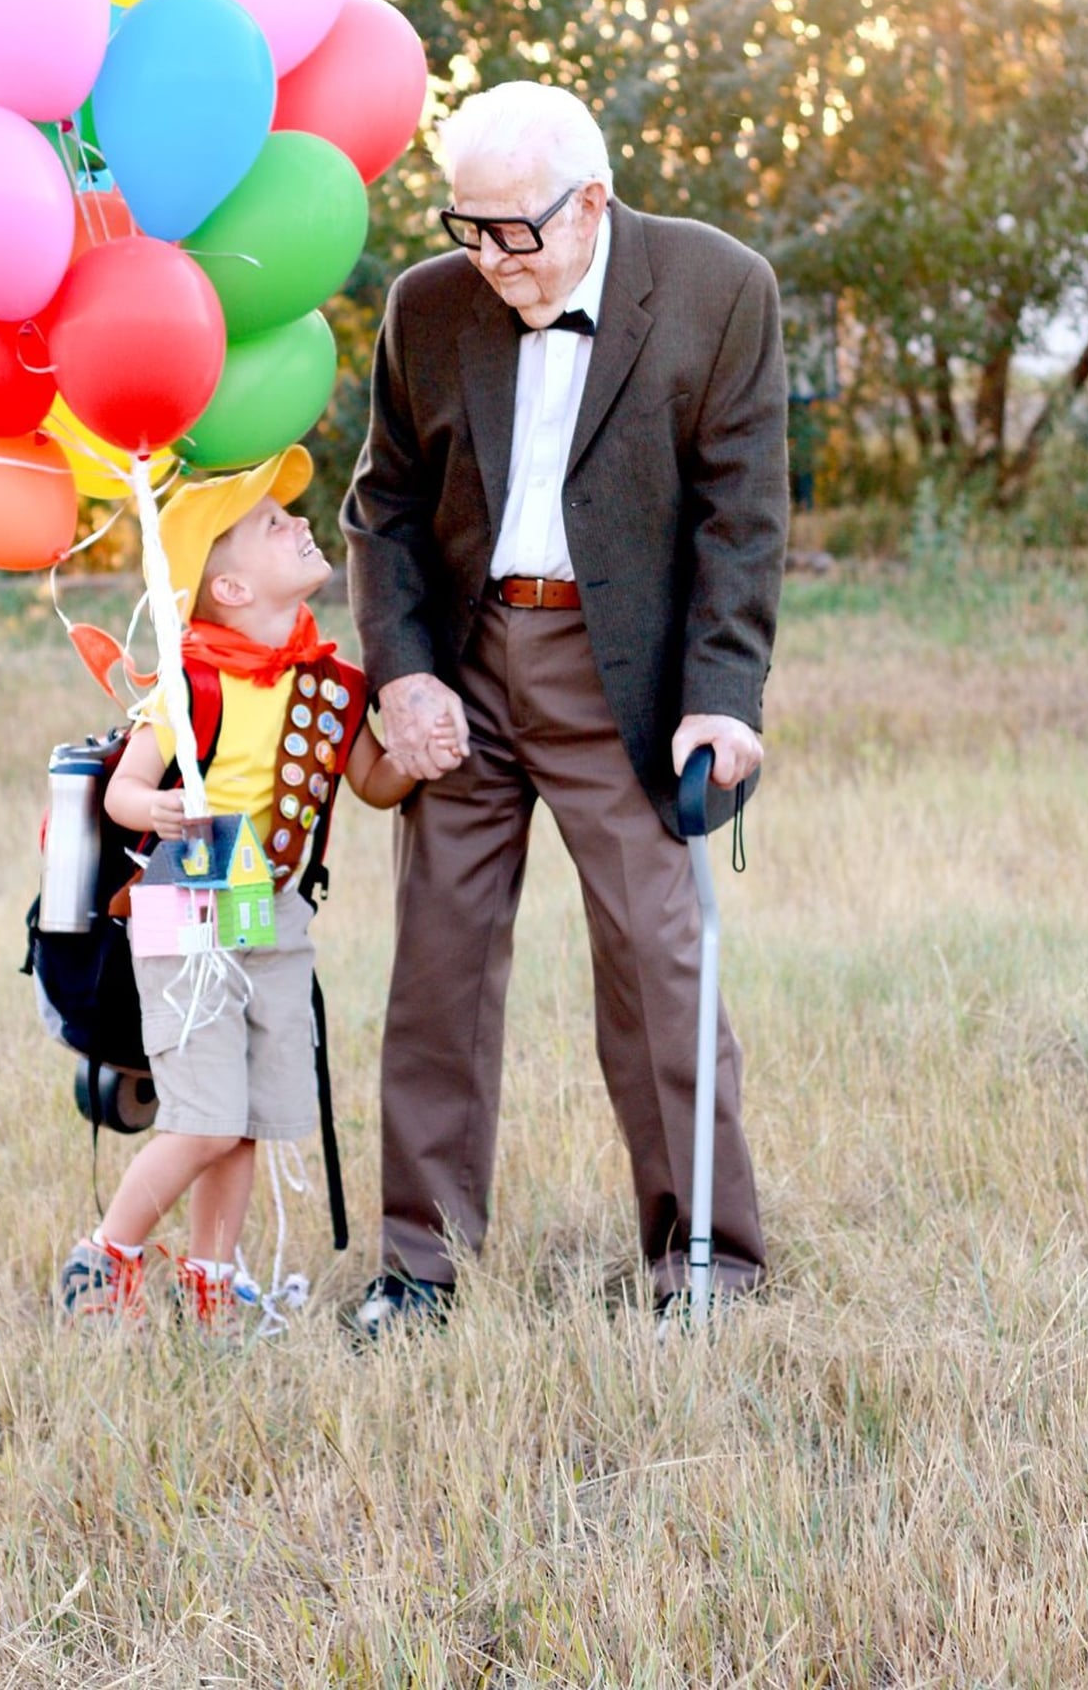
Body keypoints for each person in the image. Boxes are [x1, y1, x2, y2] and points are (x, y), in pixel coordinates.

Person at [340, 80, 788, 1332]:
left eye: (510, 234)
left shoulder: (717, 288)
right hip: (466, 661)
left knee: (659, 963)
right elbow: (379, 505)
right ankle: (417, 1271)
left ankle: (705, 1264)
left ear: (589, 201)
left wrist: (723, 698)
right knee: (435, 964)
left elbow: (740, 518)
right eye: (462, 229)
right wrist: (403, 671)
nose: (483, 261)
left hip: (625, 676)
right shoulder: (425, 306)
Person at [58, 443, 415, 1332]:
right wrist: (163, 805)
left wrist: (417, 757)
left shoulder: (329, 685)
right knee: (204, 1117)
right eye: (271, 522)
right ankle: (107, 1258)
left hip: (277, 913)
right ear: (231, 590)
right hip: (188, 910)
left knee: (249, 1116)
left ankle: (213, 1282)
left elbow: (371, 783)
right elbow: (123, 791)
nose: (299, 522)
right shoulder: (188, 683)